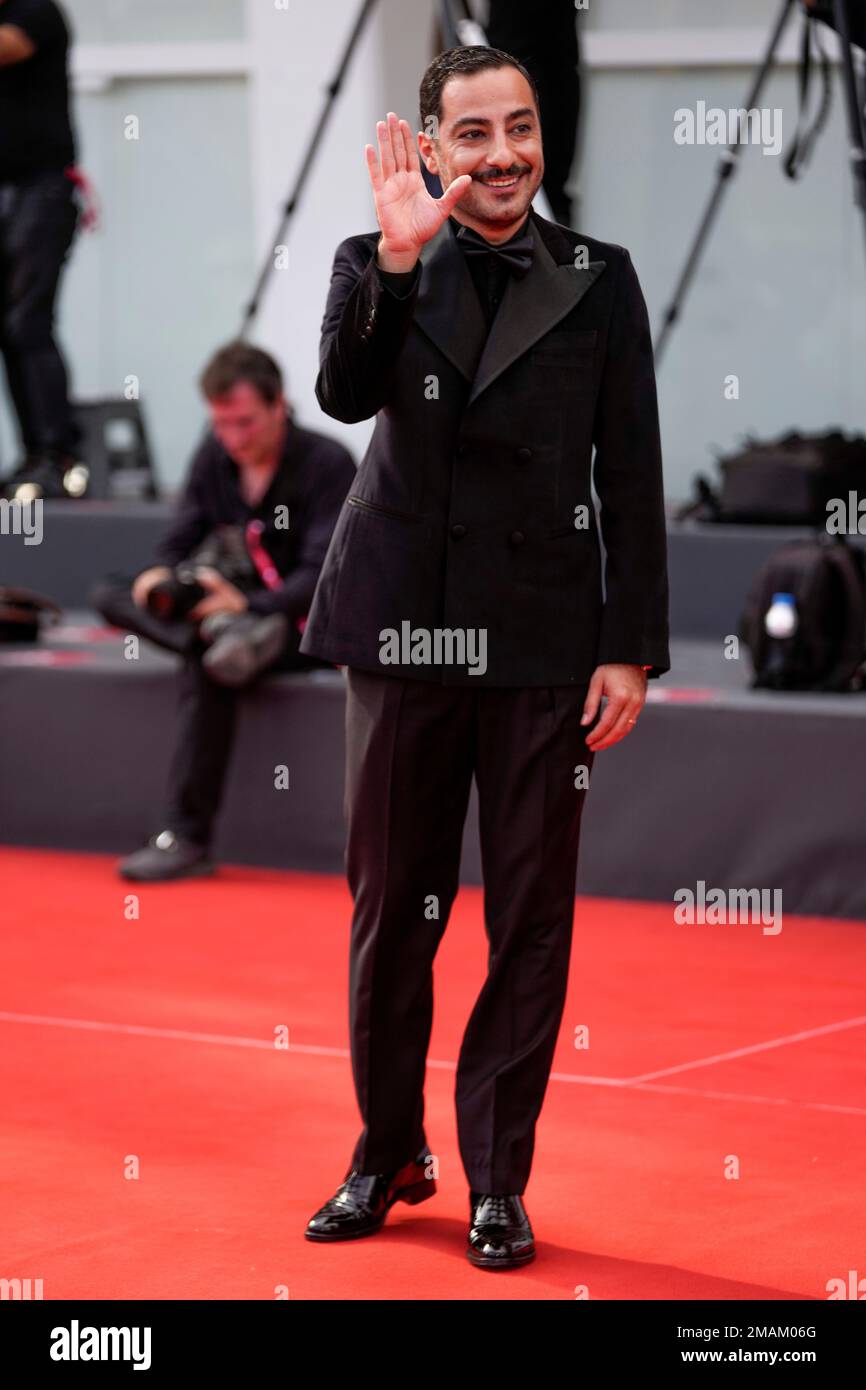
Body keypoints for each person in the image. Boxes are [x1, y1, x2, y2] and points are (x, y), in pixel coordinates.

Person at [300, 47, 670, 1269]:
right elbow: (347, 396)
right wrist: (399, 259)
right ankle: (385, 1149)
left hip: (540, 644)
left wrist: (629, 647)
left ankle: (496, 1181)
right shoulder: (375, 260)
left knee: (529, 923)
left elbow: (630, 468)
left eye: (521, 128)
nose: (503, 153)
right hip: (401, 630)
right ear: (429, 145)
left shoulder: (599, 280)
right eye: (474, 134)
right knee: (389, 916)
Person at [91, 342, 355, 882]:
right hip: (222, 615)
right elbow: (177, 539)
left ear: (279, 404)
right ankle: (224, 638)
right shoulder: (214, 455)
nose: (234, 438)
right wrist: (162, 579)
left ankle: (185, 837)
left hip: (297, 624)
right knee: (113, 592)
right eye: (222, 424)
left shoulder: (326, 461)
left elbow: (326, 576)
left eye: (245, 423)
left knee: (213, 666)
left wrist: (249, 605)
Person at [0, 0, 82, 499]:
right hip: (7, 190)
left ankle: (59, 453)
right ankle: (32, 455)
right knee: (7, 329)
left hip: (42, 190)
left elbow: (8, 47)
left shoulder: (35, 11)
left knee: (28, 321)